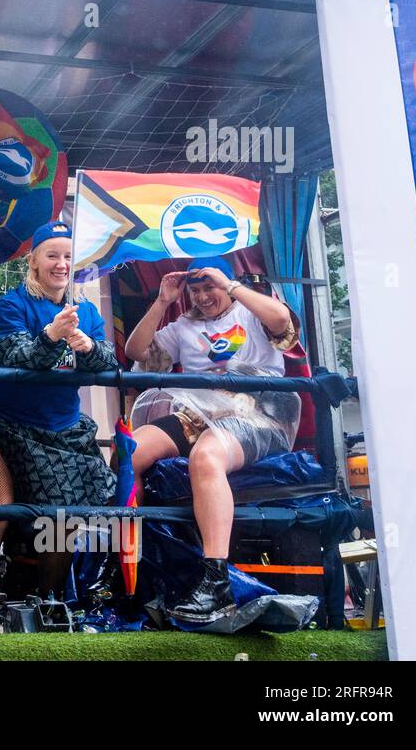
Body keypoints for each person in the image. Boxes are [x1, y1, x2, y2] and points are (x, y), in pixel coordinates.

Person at [0, 221, 118, 633]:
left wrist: (88, 347)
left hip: (57, 430)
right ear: (34, 262)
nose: (60, 264)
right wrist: (51, 335)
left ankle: (48, 607)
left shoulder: (89, 312)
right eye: (52, 255)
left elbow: (110, 362)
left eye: (66, 257)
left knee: (61, 519)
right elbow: (11, 354)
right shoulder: (13, 303)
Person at [123, 255, 301, 623]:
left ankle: (215, 581)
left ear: (226, 284)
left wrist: (233, 285)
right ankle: (138, 567)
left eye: (211, 287)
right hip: (196, 413)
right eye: (197, 290)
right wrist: (162, 302)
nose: (203, 297)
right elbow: (136, 353)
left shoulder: (253, 312)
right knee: (129, 454)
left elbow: (282, 322)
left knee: (206, 457)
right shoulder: (183, 325)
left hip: (255, 413)